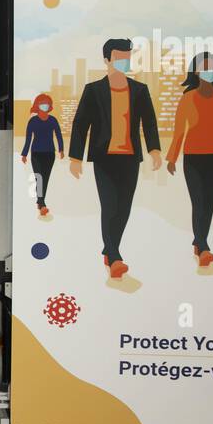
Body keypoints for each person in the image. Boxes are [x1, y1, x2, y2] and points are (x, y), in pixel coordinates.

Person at [68, 38, 162, 280]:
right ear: (107, 60)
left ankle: (110, 250)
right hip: (104, 157)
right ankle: (114, 256)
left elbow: (149, 122)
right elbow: (80, 125)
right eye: (119, 58)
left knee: (124, 209)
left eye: (127, 58)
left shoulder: (139, 90)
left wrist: (155, 150)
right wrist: (75, 158)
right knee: (109, 206)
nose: (124, 62)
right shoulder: (94, 90)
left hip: (130, 158)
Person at [166, 52, 213, 267]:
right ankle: (203, 245)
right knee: (198, 202)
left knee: (209, 203)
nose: (208, 72)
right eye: (204, 68)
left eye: (212, 68)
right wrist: (172, 157)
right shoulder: (188, 97)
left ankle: (199, 242)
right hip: (193, 158)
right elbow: (179, 129)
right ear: (196, 72)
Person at [20, 93, 64, 216]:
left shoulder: (53, 120)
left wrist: (61, 149)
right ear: (37, 105)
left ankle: (40, 201)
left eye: (47, 104)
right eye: (42, 103)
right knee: (39, 177)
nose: (45, 106)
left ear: (50, 106)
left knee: (45, 179)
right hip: (36, 154)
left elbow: (58, 135)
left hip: (50, 154)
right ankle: (42, 203)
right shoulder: (33, 121)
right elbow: (28, 138)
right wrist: (24, 154)